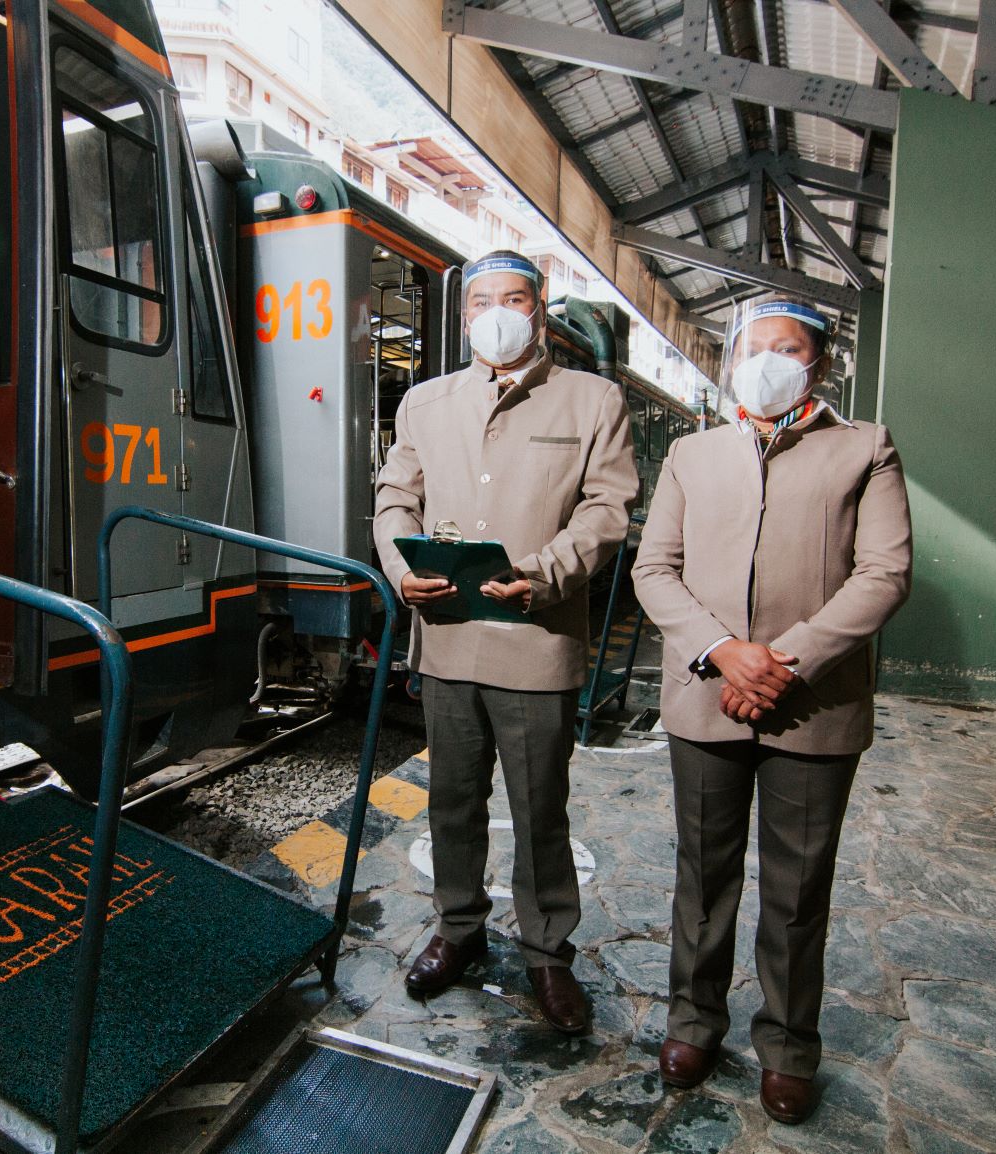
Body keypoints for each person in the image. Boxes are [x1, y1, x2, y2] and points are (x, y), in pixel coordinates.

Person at [631, 296, 912, 1123]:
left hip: (812, 708)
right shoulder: (692, 452)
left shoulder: (866, 449)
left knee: (796, 890)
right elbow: (657, 570)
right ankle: (694, 1021)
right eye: (753, 349)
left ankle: (788, 1047)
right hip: (704, 697)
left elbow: (884, 573)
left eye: (786, 348)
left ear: (818, 365)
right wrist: (723, 651)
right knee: (703, 875)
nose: (767, 362)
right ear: (730, 363)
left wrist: (780, 662)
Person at [373, 250, 638, 1034]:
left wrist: (547, 572)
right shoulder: (424, 403)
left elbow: (607, 509)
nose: (497, 311)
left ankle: (547, 954)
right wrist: (397, 562)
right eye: (482, 299)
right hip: (449, 639)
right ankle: (458, 929)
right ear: (463, 316)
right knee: (453, 802)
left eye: (513, 297)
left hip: (537, 641)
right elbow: (397, 495)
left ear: (539, 306)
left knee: (539, 808)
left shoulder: (594, 402)